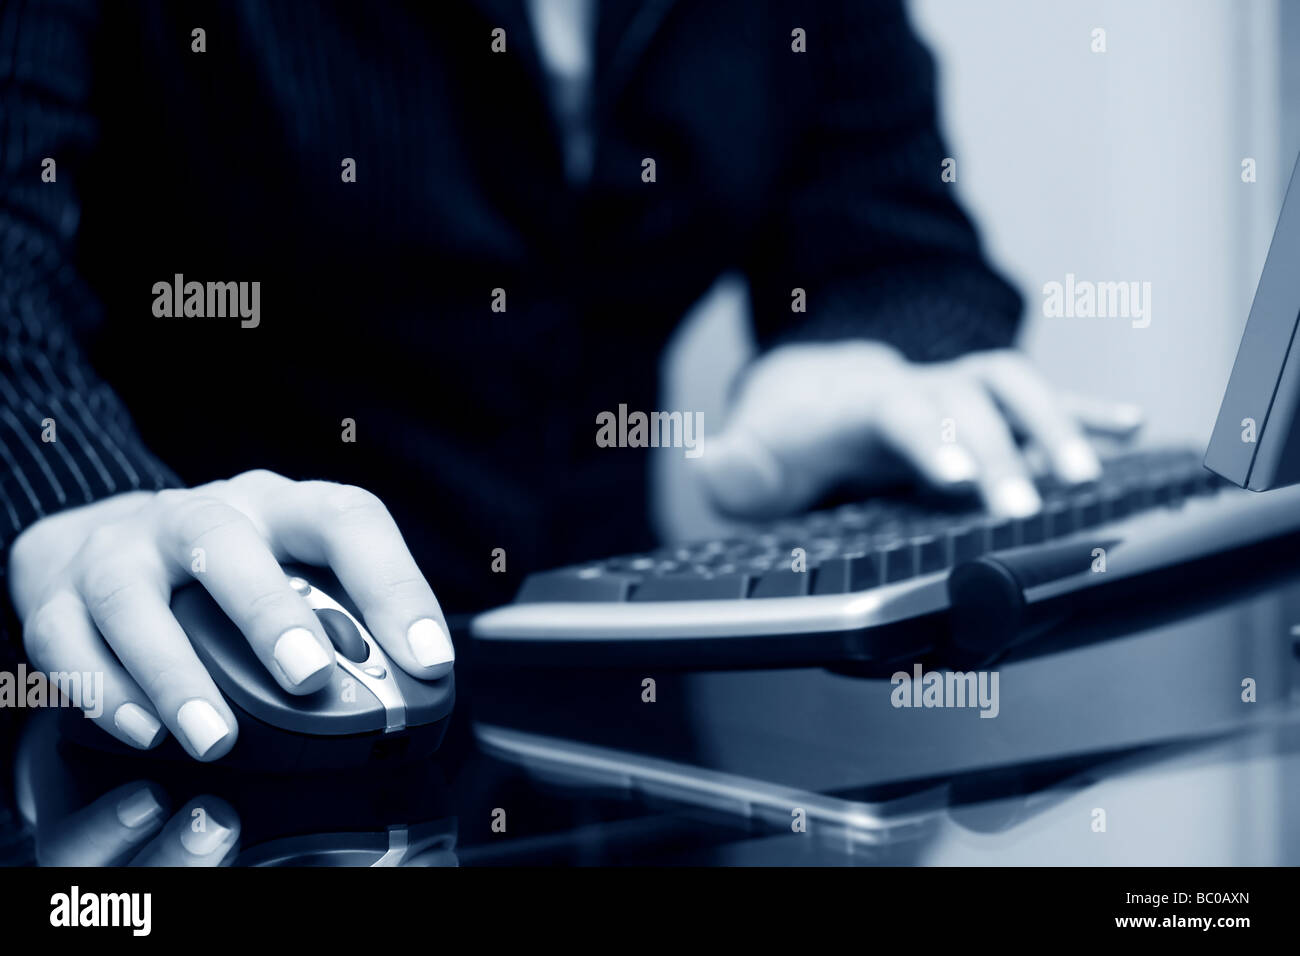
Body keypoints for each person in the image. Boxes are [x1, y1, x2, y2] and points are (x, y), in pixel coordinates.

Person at [0, 0, 1137, 762]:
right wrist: (85, 492)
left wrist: (846, 357)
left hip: (626, 737)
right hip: (209, 712)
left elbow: (900, 244)